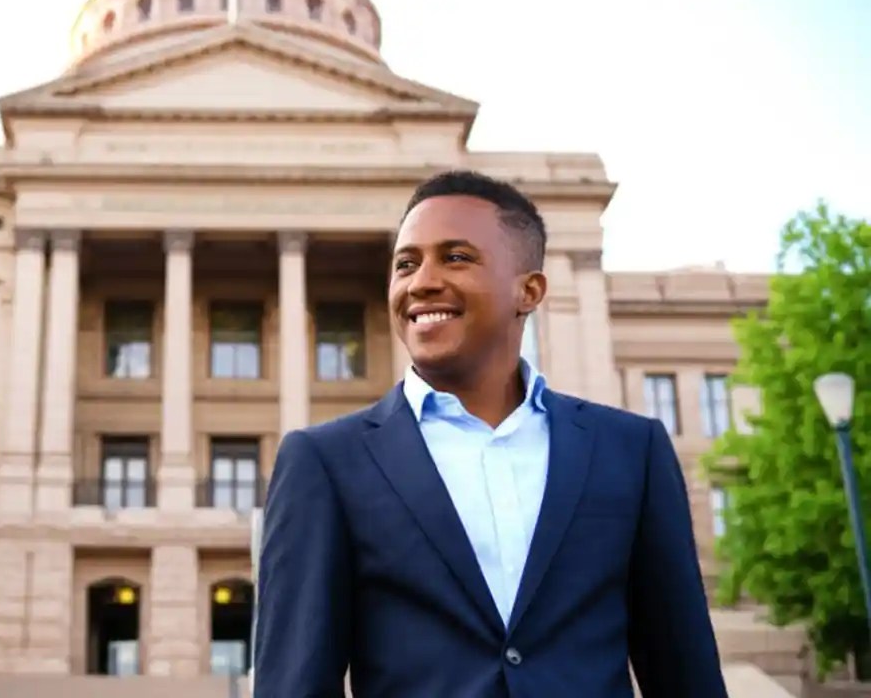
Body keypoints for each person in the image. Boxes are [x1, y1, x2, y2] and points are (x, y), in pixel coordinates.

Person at [252, 170, 726, 698]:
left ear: (529, 290)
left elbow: (685, 671)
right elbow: (294, 684)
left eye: (456, 257)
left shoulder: (630, 452)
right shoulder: (324, 462)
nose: (421, 281)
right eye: (405, 263)